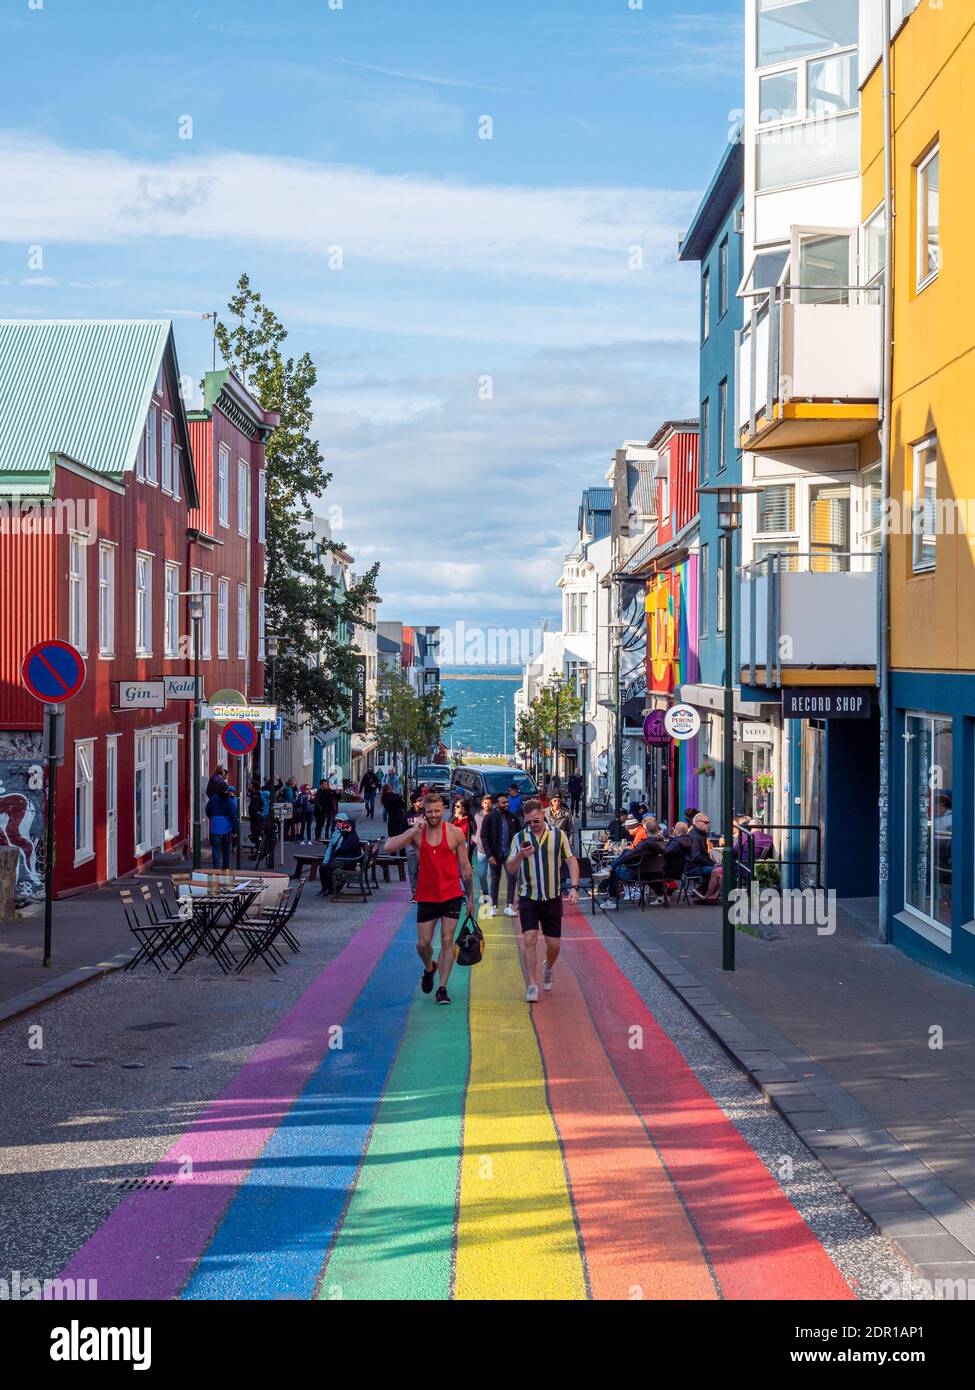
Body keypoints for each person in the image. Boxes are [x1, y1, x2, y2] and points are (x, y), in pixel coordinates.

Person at [383, 793, 474, 1006]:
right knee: (423, 944)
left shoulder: (455, 833)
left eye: (437, 811)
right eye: (429, 811)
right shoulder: (417, 833)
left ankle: (442, 988)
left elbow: (465, 868)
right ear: (423, 811)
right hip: (427, 896)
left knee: (447, 940)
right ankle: (429, 968)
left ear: (444, 810)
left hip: (451, 894)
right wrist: (414, 830)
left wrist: (470, 898)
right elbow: (389, 846)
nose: (433, 815)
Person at [506, 798, 580, 1002]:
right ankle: (531, 984)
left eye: (536, 821)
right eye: (529, 822)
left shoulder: (558, 835)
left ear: (543, 815)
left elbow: (571, 860)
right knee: (529, 939)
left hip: (552, 897)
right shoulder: (519, 837)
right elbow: (510, 869)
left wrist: (574, 887)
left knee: (554, 944)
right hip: (529, 897)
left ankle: (548, 966)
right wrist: (521, 855)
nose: (533, 825)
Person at [482, 791, 520, 917]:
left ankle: (509, 906)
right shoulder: (489, 817)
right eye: (503, 802)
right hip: (495, 854)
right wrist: (489, 855)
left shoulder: (513, 817)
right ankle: (494, 906)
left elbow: (519, 834)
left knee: (512, 877)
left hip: (509, 854)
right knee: (495, 879)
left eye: (507, 802)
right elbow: (484, 837)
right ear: (497, 805)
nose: (506, 804)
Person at [318, 813, 363, 895]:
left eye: (340, 821)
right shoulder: (336, 833)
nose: (338, 823)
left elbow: (343, 848)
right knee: (323, 867)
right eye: (336, 821)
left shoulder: (348, 835)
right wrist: (326, 860)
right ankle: (327, 888)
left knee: (328, 868)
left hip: (344, 860)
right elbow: (330, 848)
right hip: (338, 858)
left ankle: (335, 887)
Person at [471, 793, 494, 917]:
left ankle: (489, 895)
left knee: (491, 874)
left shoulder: (496, 815)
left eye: (489, 802)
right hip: (480, 849)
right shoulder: (477, 816)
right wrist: (475, 839)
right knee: (481, 874)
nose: (487, 805)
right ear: (482, 803)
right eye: (485, 802)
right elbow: (475, 829)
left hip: (492, 851)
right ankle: (485, 891)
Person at [206, 783, 238, 870]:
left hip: (215, 826)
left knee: (215, 848)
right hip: (226, 827)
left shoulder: (212, 800)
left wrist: (213, 818)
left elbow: (207, 811)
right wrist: (235, 831)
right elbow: (233, 816)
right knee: (226, 848)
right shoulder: (229, 801)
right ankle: (225, 867)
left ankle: (216, 867)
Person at [404, 792, 426, 895]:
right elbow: (402, 831)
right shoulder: (407, 815)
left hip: (425, 846)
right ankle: (415, 893)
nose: (421, 802)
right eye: (419, 801)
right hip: (411, 846)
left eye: (422, 800)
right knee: (413, 871)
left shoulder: (426, 814)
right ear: (413, 803)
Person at [247, 780, 265, 857]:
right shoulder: (255, 795)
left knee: (255, 836)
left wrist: (256, 816)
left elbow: (255, 809)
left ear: (254, 788)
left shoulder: (255, 797)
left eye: (250, 785)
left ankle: (259, 852)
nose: (248, 786)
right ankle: (259, 851)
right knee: (255, 836)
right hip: (256, 819)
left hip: (255, 820)